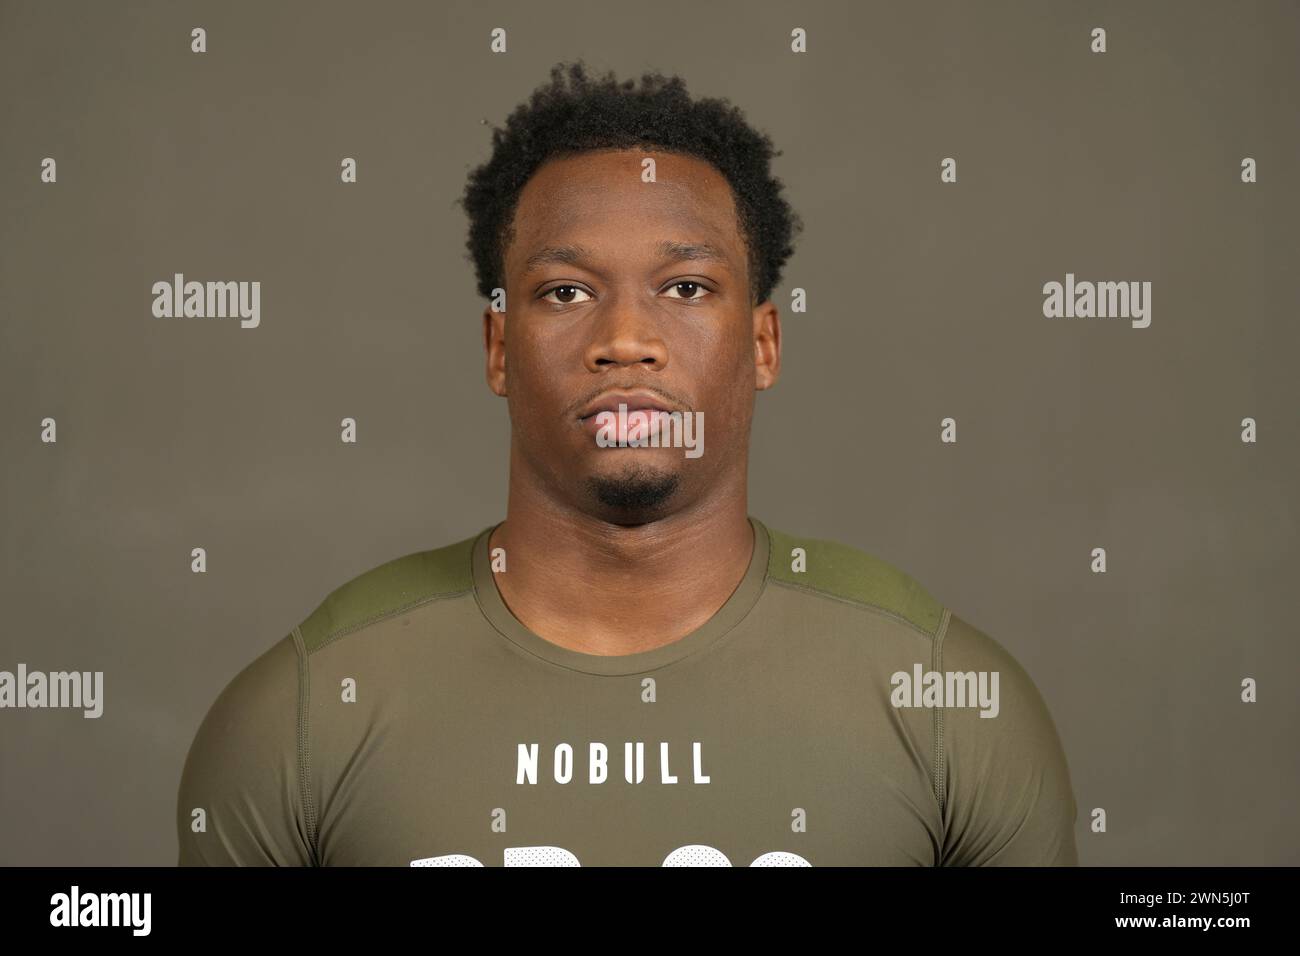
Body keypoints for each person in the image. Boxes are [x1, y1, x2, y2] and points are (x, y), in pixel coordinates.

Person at [176, 60, 1078, 866]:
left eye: (685, 288)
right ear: (498, 347)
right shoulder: (304, 713)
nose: (626, 340)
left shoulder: (947, 700)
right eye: (565, 292)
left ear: (763, 343)